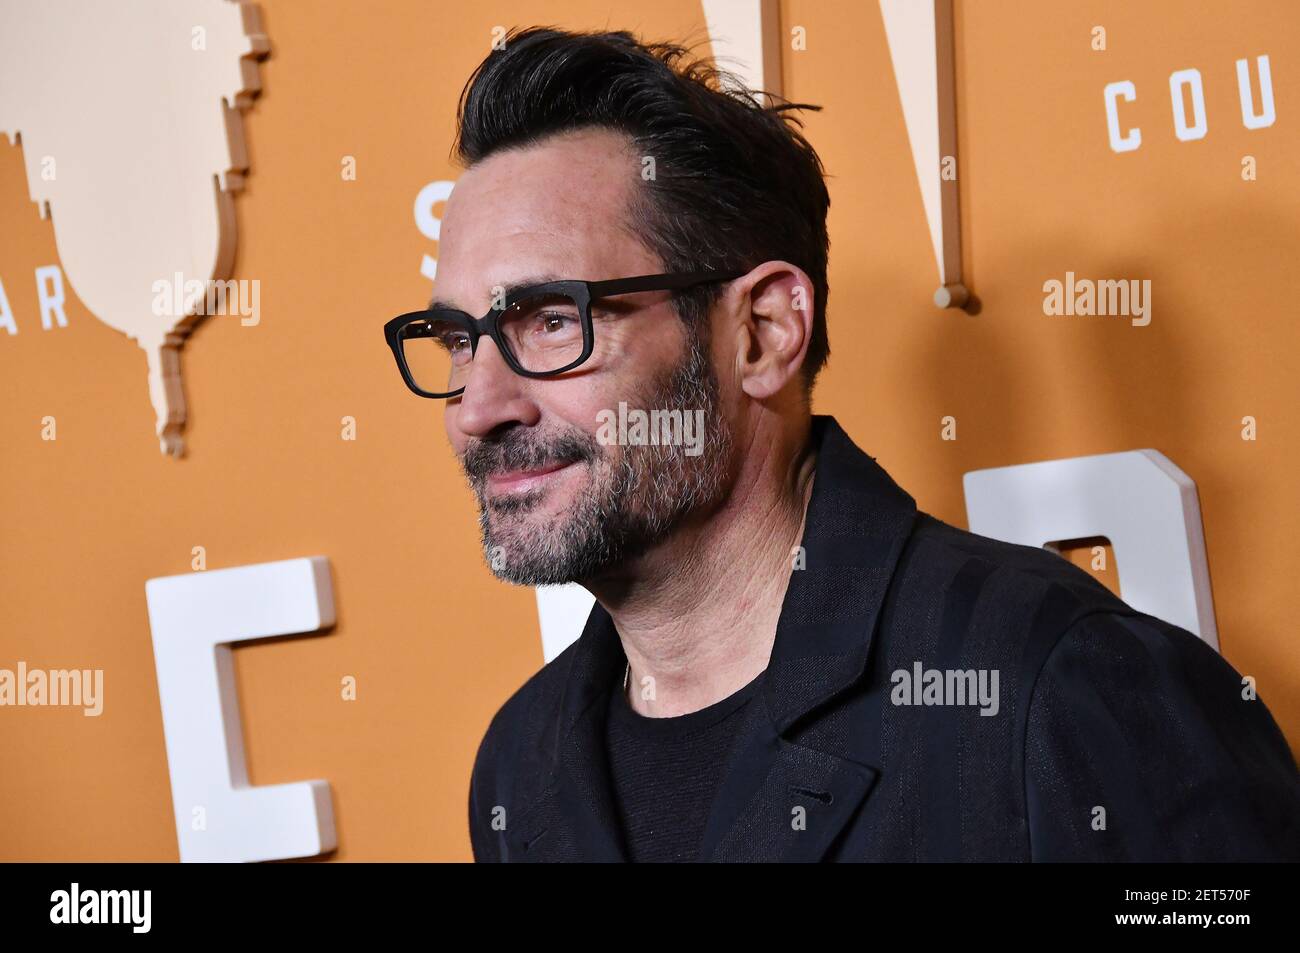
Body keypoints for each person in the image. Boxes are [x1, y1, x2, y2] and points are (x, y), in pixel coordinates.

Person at [382, 26, 1300, 861]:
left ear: (765, 333)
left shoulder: (1060, 685)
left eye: (551, 320)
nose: (478, 406)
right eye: (459, 339)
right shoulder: (519, 769)